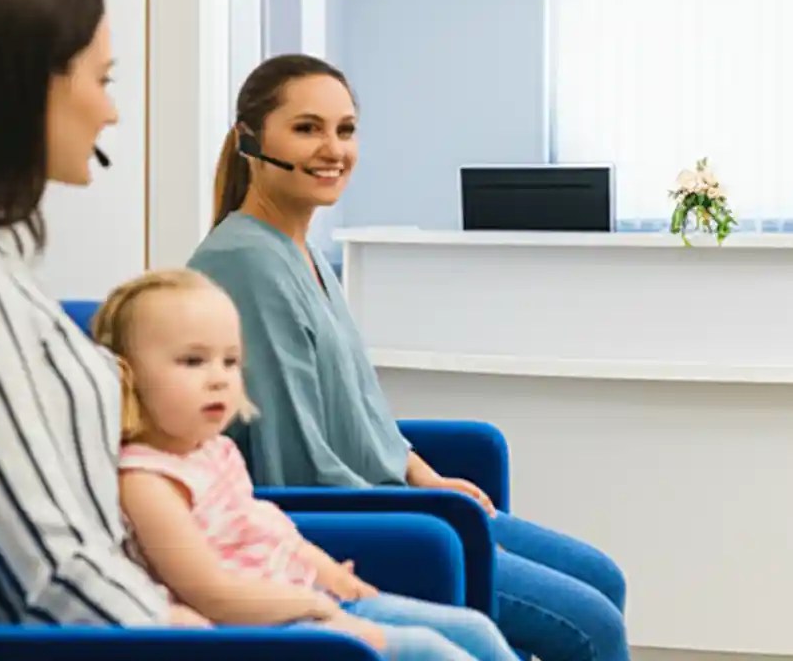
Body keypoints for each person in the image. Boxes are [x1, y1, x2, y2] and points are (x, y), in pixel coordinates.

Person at [188, 54, 630, 661]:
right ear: (250, 141)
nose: (332, 148)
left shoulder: (303, 252)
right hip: (359, 523)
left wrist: (429, 478)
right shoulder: (245, 263)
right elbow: (296, 462)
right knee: (592, 625)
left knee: (603, 577)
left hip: (395, 497)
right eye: (307, 128)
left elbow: (357, 411)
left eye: (345, 129)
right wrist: (424, 506)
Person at [0, 0, 204, 626]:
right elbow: (53, 576)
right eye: (102, 80)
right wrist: (197, 635)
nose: (110, 113)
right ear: (29, 89)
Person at [92, 268, 519, 661]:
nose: (220, 377)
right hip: (266, 627)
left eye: (231, 361)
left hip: (307, 597)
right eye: (192, 361)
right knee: (431, 651)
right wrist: (313, 605)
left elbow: (265, 526)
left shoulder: (214, 451)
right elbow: (210, 594)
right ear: (126, 378)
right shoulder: (147, 482)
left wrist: (328, 574)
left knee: (474, 631)